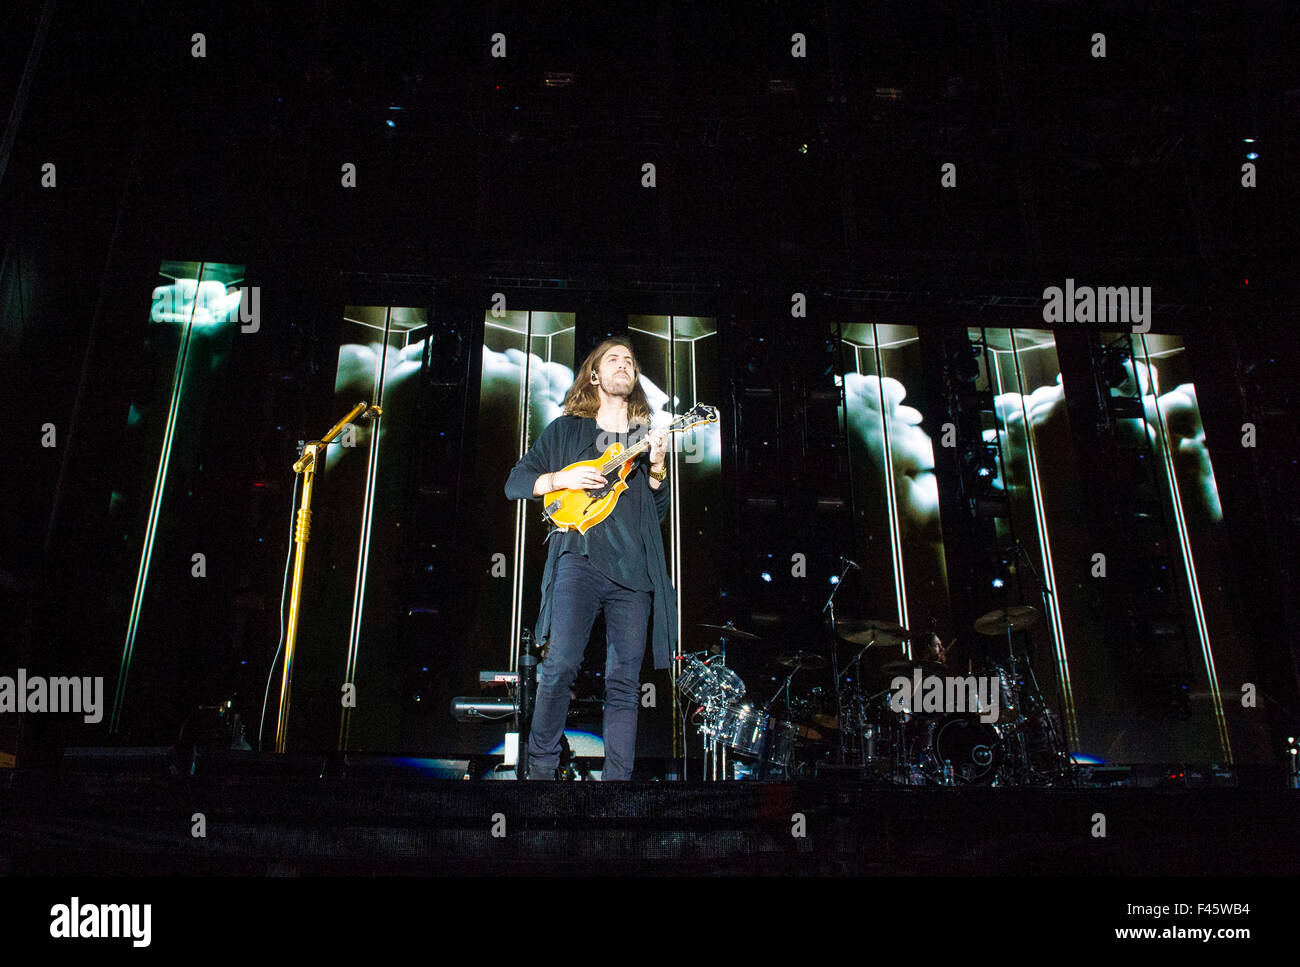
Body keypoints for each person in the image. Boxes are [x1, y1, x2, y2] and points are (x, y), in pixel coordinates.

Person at [505, 337, 677, 780]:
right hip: (578, 560)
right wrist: (559, 477)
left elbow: (655, 516)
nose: (624, 365)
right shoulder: (566, 430)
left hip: (634, 574)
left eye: (630, 361)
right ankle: (540, 773)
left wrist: (657, 469)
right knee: (560, 665)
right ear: (595, 375)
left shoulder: (645, 438)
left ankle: (617, 791)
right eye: (613, 360)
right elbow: (516, 482)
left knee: (623, 683)